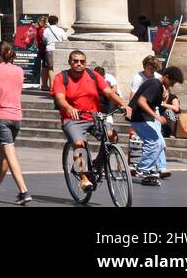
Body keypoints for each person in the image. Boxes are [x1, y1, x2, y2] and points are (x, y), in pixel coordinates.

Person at [53, 49, 131, 191]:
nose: (78, 64)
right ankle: (83, 178)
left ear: (85, 63)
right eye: (75, 61)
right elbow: (59, 98)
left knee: (111, 136)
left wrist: (123, 104)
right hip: (73, 119)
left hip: (93, 116)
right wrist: (69, 108)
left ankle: (98, 164)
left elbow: (108, 92)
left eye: (82, 61)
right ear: (70, 62)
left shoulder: (92, 75)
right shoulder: (61, 77)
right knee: (78, 144)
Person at [0, 41, 33, 204]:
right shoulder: (19, 70)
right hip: (16, 116)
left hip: (2, 115)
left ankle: (24, 191)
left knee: (10, 154)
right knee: (4, 155)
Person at [130, 65, 183, 184]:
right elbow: (141, 101)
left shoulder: (158, 87)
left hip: (145, 118)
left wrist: (163, 99)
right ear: (167, 76)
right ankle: (143, 168)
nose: (172, 85)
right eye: (172, 82)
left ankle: (150, 168)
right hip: (141, 118)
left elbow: (155, 104)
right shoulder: (154, 85)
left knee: (160, 143)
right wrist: (156, 116)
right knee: (153, 143)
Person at [40, 15, 68, 87]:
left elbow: (44, 40)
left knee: (50, 68)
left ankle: (52, 86)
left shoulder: (46, 30)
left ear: (49, 21)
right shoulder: (60, 30)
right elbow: (65, 40)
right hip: (59, 50)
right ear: (56, 22)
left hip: (49, 49)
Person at [35, 15, 51, 89]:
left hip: (42, 50)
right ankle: (44, 85)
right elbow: (44, 40)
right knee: (46, 68)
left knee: (45, 67)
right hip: (44, 50)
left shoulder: (39, 29)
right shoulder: (42, 30)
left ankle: (44, 84)